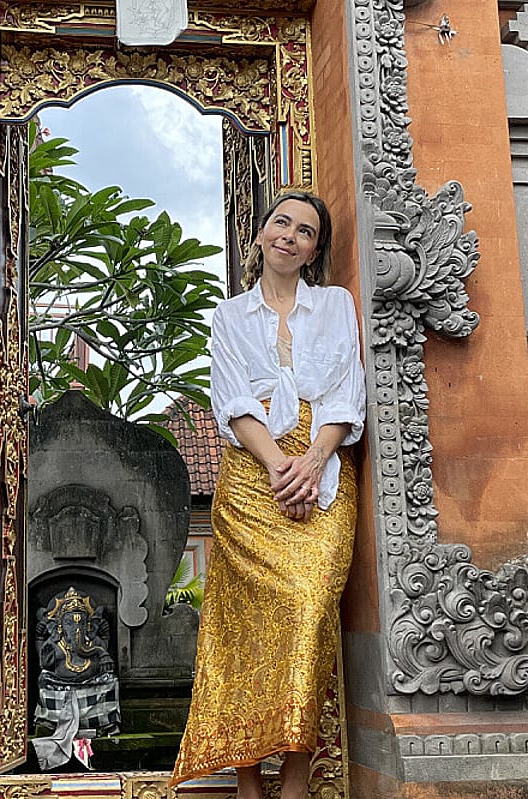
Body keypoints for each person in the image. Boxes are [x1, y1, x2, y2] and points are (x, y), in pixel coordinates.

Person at [169, 191, 365, 799]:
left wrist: (312, 462)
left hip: (323, 466)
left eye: (305, 231)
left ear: (313, 251)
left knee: (309, 609)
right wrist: (282, 468)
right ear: (260, 234)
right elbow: (232, 401)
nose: (290, 235)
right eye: (281, 222)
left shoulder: (335, 304)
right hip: (254, 474)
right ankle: (249, 780)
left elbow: (346, 392)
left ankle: (297, 780)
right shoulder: (229, 316)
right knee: (243, 627)